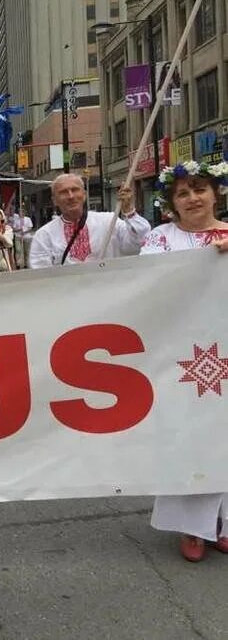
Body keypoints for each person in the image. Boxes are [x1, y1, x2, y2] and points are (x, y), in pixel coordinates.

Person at [141, 161, 228, 562]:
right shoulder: (160, 240)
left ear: (216, 193)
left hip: (224, 349)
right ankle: (192, 525)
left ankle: (223, 521)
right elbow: (145, 284)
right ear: (171, 202)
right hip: (179, 354)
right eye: (183, 192)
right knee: (187, 435)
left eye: (199, 189)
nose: (192, 198)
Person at [29, 173, 151, 268]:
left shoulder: (109, 221)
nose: (71, 196)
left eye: (75, 190)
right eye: (63, 192)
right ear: (54, 200)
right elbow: (41, 273)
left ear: (84, 194)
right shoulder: (44, 235)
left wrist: (129, 211)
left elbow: (138, 244)